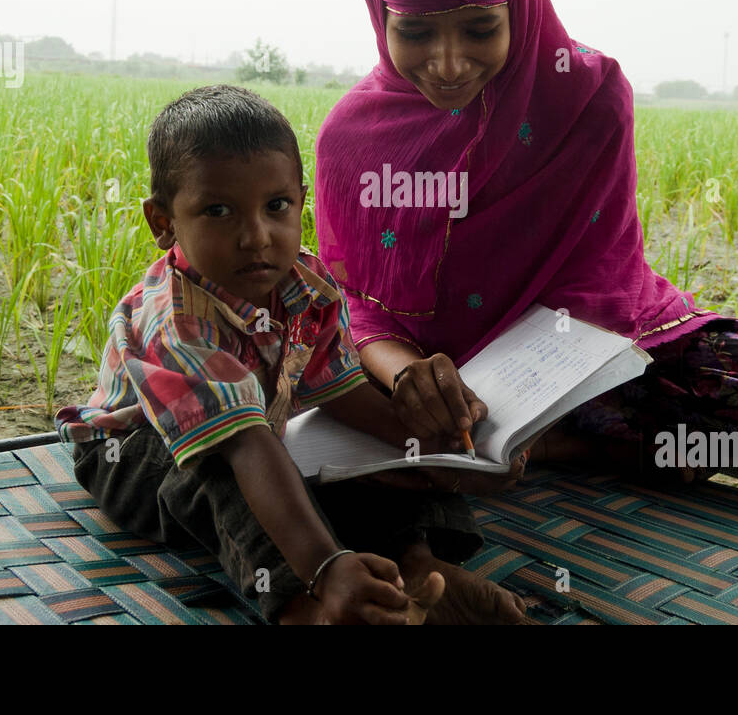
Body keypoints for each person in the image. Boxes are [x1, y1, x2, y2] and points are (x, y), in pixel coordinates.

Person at [314, 0, 738, 485]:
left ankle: (551, 448)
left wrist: (547, 389)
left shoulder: (586, 98)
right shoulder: (351, 137)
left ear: (519, 6)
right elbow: (352, 306)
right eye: (415, 32)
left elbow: (598, 276)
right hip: (427, 386)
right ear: (380, 13)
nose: (447, 64)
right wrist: (407, 376)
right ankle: (525, 439)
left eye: (479, 29)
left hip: (578, 363)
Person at [55, 85, 527, 624]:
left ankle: (414, 566)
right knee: (229, 470)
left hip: (258, 436)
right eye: (218, 210)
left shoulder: (308, 286)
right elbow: (246, 445)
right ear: (163, 224)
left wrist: (451, 450)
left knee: (365, 456)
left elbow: (346, 393)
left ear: (302, 200)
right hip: (137, 454)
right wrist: (325, 566)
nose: (256, 236)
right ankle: (307, 603)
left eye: (276, 206)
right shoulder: (177, 319)